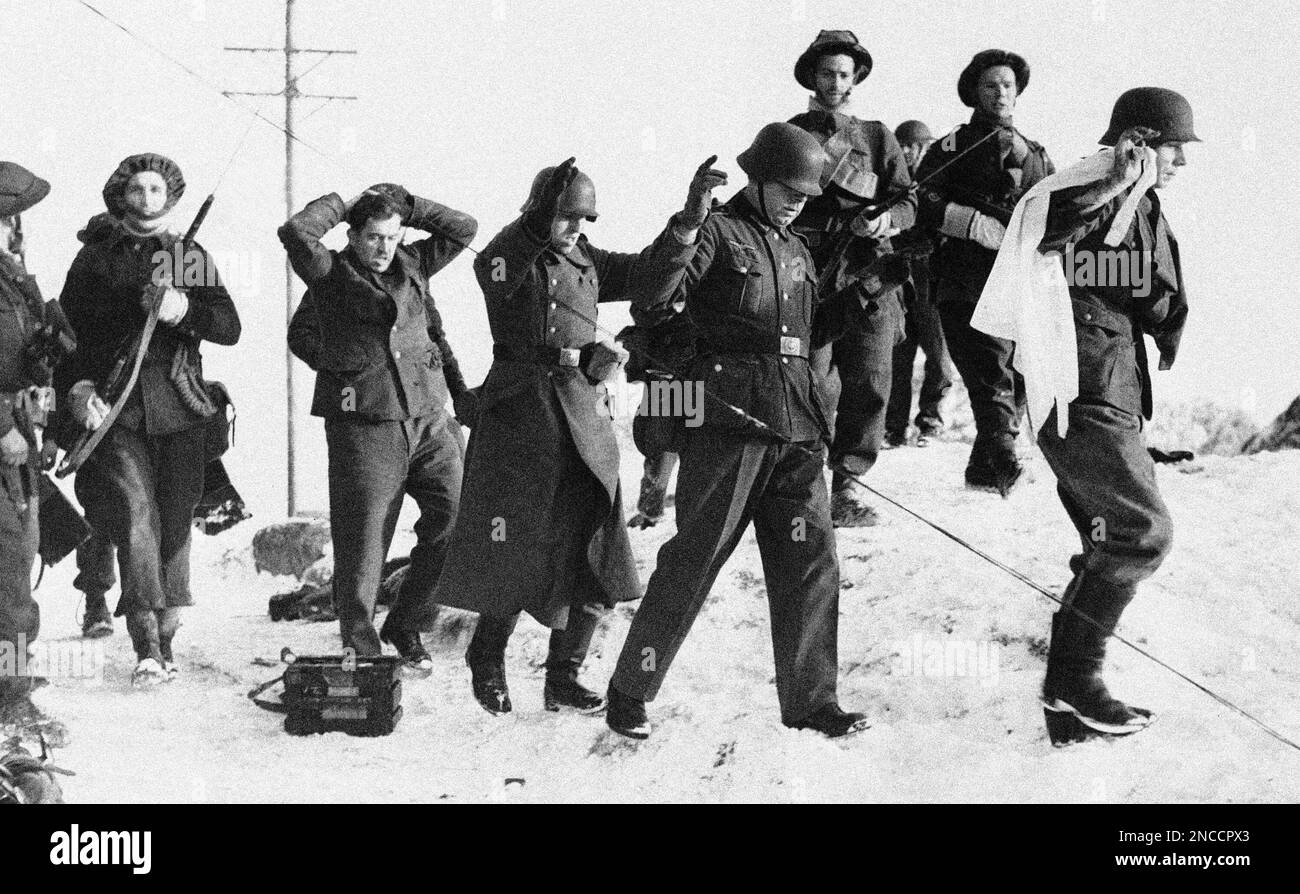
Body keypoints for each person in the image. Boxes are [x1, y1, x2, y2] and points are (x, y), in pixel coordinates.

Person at [607, 123, 874, 740]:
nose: (797, 201)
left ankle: (812, 702)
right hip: (729, 425)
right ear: (757, 178)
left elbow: (806, 337)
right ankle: (630, 691)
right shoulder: (716, 233)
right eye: (788, 189)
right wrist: (686, 224)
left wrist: (867, 287)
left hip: (796, 430)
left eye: (807, 194)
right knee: (695, 559)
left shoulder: (799, 249)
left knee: (812, 564)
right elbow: (651, 298)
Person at [431, 158, 707, 716]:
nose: (577, 228)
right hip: (521, 414)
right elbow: (500, 273)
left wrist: (688, 221)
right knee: (515, 541)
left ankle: (565, 674)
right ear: (539, 212)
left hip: (582, 410)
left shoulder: (586, 258)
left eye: (584, 218)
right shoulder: (508, 255)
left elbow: (650, 273)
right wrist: (537, 223)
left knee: (596, 538)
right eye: (565, 217)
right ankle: (487, 655)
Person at [1029, 88, 1197, 743]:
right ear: (1140, 140)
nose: (1182, 160)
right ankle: (1076, 683)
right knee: (1139, 531)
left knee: (1111, 538)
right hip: (1081, 382)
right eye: (1174, 146)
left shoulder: (1142, 199)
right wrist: (1118, 182)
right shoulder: (1096, 178)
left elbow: (1146, 288)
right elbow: (1043, 234)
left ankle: (1069, 705)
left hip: (1112, 383)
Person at [58, 153, 241, 686]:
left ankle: (169, 630)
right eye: (136, 190)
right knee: (136, 517)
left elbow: (229, 326)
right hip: (116, 411)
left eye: (156, 190)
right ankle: (146, 643)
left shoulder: (187, 255)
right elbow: (68, 337)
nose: (146, 200)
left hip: (181, 408)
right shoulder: (97, 258)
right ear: (121, 196)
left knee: (174, 520)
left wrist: (183, 311)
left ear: (172, 196)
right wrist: (78, 388)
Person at [278, 184, 476, 669]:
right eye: (372, 237)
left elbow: (465, 227)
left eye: (392, 236)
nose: (384, 248)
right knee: (363, 545)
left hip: (429, 419)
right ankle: (362, 654)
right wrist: (347, 367)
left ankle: (407, 624)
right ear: (351, 236)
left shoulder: (414, 264)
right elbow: (296, 231)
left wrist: (407, 204)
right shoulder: (329, 275)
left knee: (456, 522)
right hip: (364, 426)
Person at [787, 29, 918, 526]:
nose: (836, 82)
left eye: (845, 74)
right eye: (827, 73)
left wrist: (884, 221)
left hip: (869, 272)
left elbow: (909, 201)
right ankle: (802, 484)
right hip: (807, 273)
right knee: (810, 382)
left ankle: (849, 486)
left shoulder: (877, 136)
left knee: (870, 381)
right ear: (813, 76)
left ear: (855, 79)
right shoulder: (790, 131)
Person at [915, 50, 1054, 493]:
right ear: (974, 91)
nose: (1000, 93)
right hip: (963, 280)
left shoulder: (1036, 154)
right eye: (991, 85)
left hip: (1017, 280)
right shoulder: (952, 147)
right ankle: (1005, 460)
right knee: (990, 367)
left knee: (1020, 369)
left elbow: (1055, 208)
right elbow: (921, 201)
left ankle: (984, 465)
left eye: (1008, 85)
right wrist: (972, 224)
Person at [0, 160, 70, 737]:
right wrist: (4, 426)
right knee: (8, 587)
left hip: (21, 440)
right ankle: (12, 705)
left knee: (15, 572)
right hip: (4, 442)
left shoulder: (16, 280)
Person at [884, 119, 954, 446]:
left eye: (915, 145)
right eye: (904, 145)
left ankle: (930, 421)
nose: (909, 152)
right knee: (899, 356)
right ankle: (894, 427)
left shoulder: (940, 182)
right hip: (898, 278)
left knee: (939, 358)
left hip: (931, 279)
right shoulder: (893, 183)